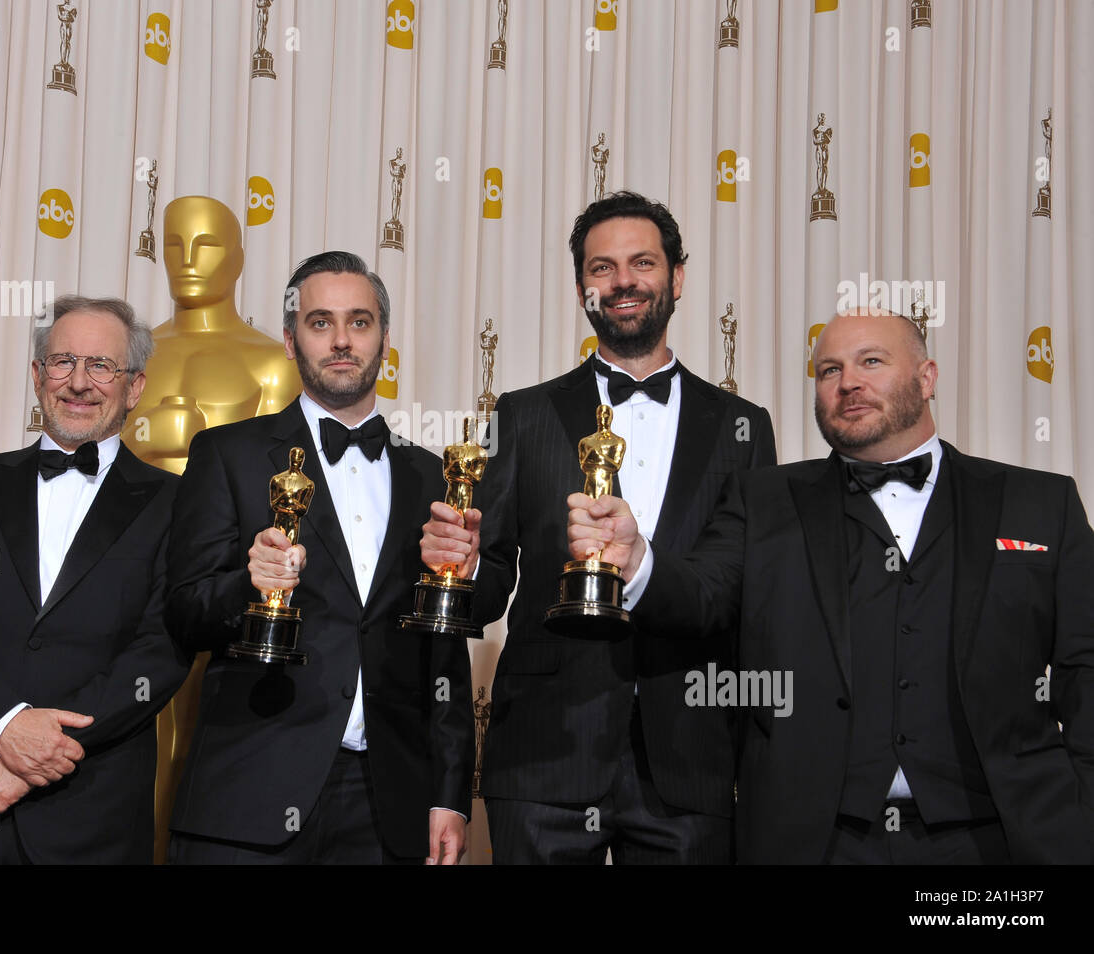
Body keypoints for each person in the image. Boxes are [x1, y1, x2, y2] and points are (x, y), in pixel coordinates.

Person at [575, 309, 1094, 863]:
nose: (848, 382)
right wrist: (635, 562)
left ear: (927, 378)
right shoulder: (764, 500)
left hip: (1000, 839)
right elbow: (701, 594)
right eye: (828, 370)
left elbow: (1084, 666)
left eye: (871, 361)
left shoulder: (1040, 503)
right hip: (815, 841)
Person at [424, 191, 776, 863]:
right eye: (601, 268)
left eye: (642, 263)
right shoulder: (521, 415)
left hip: (692, 761)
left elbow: (736, 588)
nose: (622, 282)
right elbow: (492, 579)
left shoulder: (742, 427)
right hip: (543, 758)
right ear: (582, 287)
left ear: (677, 276)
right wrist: (462, 571)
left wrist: (638, 562)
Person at [165, 251, 473, 864]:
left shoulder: (430, 474)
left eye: (359, 322)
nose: (341, 340)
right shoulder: (228, 455)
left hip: (388, 805)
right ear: (289, 338)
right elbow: (183, 612)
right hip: (250, 791)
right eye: (320, 321)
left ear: (384, 339)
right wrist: (247, 587)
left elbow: (445, 650)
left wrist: (451, 793)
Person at [0, 296, 190, 864]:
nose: (80, 382)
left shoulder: (176, 504)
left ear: (135, 387)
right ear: (37, 375)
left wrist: (37, 755)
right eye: (62, 362)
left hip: (91, 814)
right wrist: (3, 730)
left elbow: (162, 651)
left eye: (102, 366)